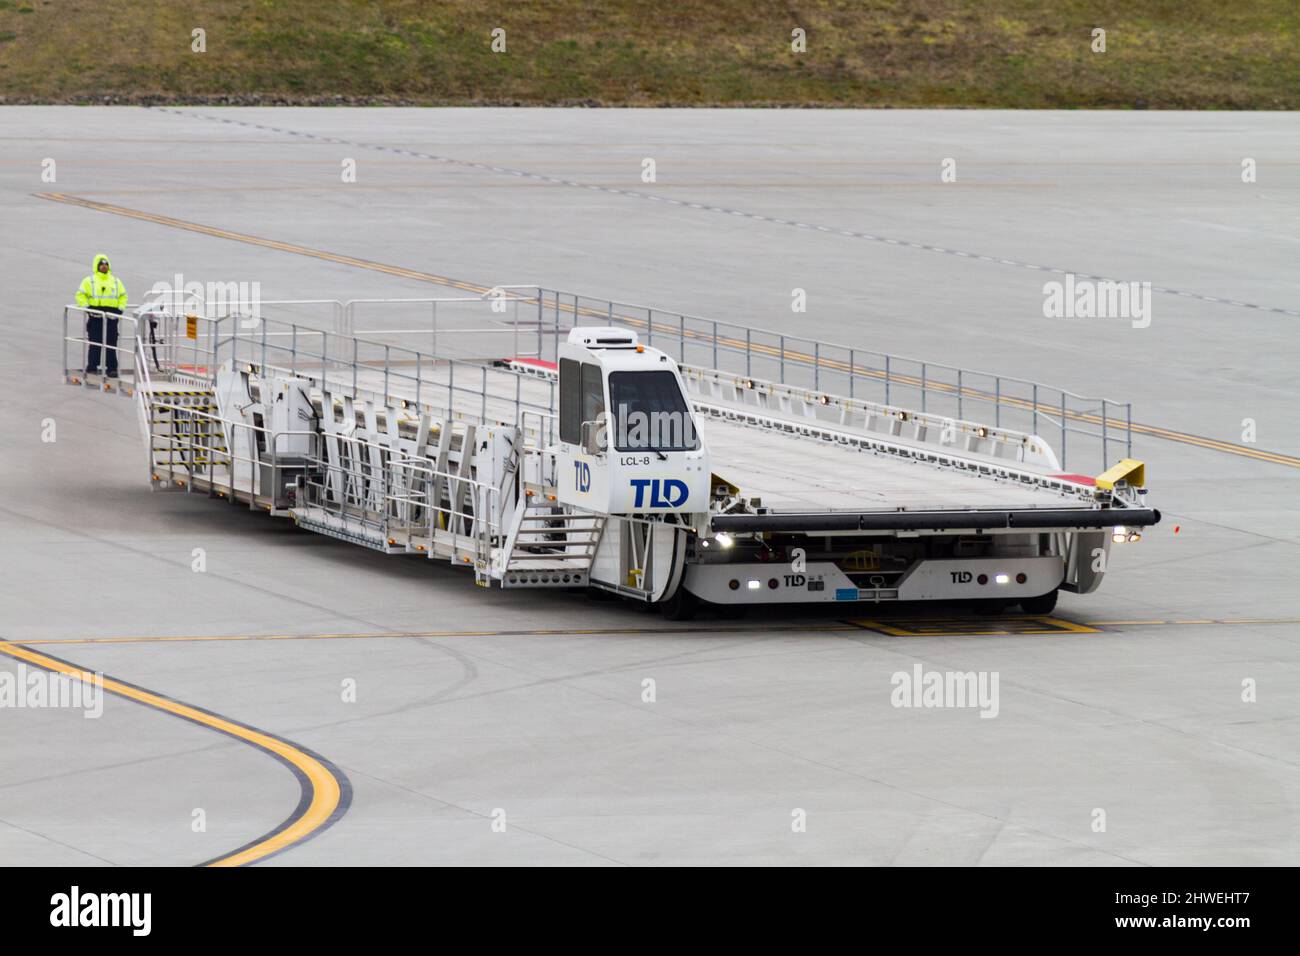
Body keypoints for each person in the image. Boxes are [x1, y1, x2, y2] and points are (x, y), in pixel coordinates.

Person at [76, 253, 128, 378]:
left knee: (111, 342)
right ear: (97, 266)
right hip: (96, 315)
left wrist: (120, 310)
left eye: (106, 264)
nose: (104, 266)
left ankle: (112, 368)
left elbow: (123, 296)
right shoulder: (89, 281)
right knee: (95, 341)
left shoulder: (115, 281)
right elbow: (80, 295)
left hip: (111, 315)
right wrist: (87, 308)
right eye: (101, 265)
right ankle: (92, 367)